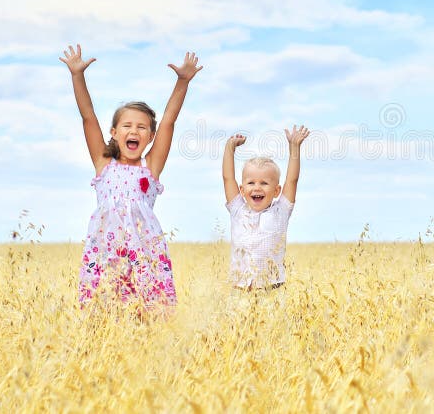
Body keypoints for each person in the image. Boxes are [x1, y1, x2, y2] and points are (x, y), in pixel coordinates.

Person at [60, 44, 202, 308]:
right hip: (106, 253)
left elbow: (169, 121)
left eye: (142, 127)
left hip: (144, 255)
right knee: (102, 309)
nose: (133, 131)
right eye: (127, 125)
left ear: (150, 137)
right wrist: (77, 76)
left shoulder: (151, 167)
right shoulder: (104, 164)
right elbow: (88, 116)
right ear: (114, 132)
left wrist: (182, 82)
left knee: (146, 310)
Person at [222, 126, 310, 290]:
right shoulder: (237, 210)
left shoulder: (281, 211)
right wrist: (229, 148)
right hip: (240, 287)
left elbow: (292, 180)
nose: (257, 188)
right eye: (251, 183)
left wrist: (294, 147)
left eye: (264, 183)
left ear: (277, 190)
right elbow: (228, 178)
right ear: (242, 190)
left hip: (272, 286)